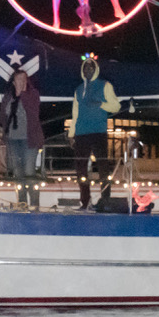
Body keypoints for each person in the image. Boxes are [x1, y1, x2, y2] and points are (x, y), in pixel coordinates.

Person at [68, 54, 121, 209]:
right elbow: (75, 114)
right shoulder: (78, 90)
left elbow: (116, 106)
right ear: (82, 71)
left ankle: (106, 201)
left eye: (91, 67)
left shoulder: (105, 85)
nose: (88, 70)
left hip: (99, 132)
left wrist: (101, 104)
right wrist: (71, 134)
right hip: (81, 133)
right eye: (85, 68)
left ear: (96, 69)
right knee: (81, 170)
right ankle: (85, 202)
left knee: (103, 168)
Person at [0, 67, 43, 208]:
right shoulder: (8, 98)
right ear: (13, 82)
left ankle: (35, 205)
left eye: (24, 79)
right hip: (12, 139)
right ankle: (22, 204)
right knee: (18, 173)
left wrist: (22, 94)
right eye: (19, 79)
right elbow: (4, 118)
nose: (22, 81)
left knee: (29, 172)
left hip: (29, 140)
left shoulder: (33, 94)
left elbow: (33, 111)